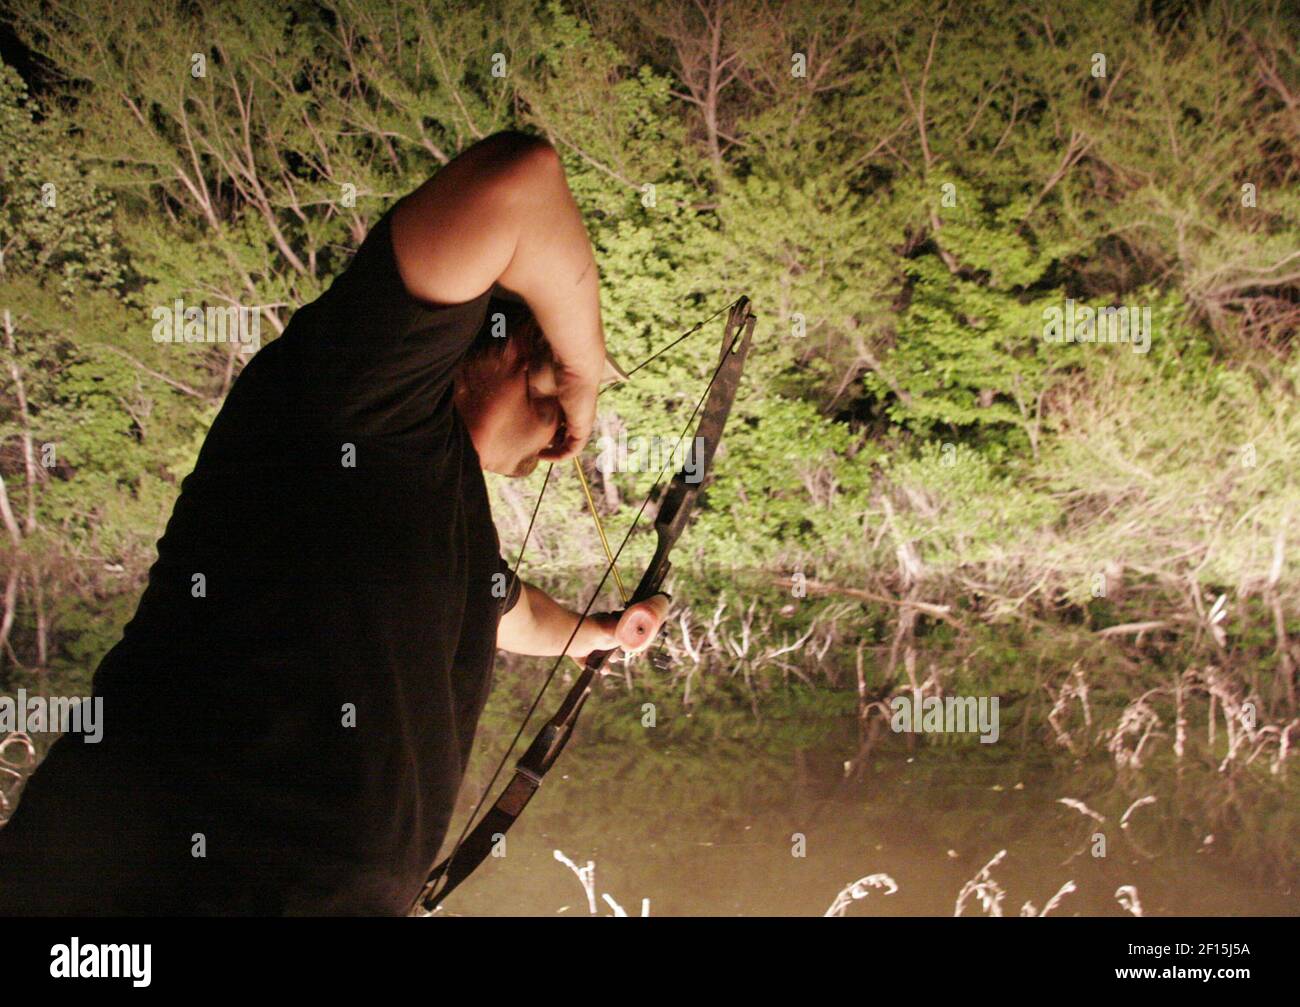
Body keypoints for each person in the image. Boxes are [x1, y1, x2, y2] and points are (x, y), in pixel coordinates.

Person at [0, 130, 667, 915]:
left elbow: (500, 610)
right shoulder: (360, 392)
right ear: (511, 348)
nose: (563, 432)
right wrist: (584, 369)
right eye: (549, 385)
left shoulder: (441, 492)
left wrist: (599, 632)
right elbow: (520, 181)